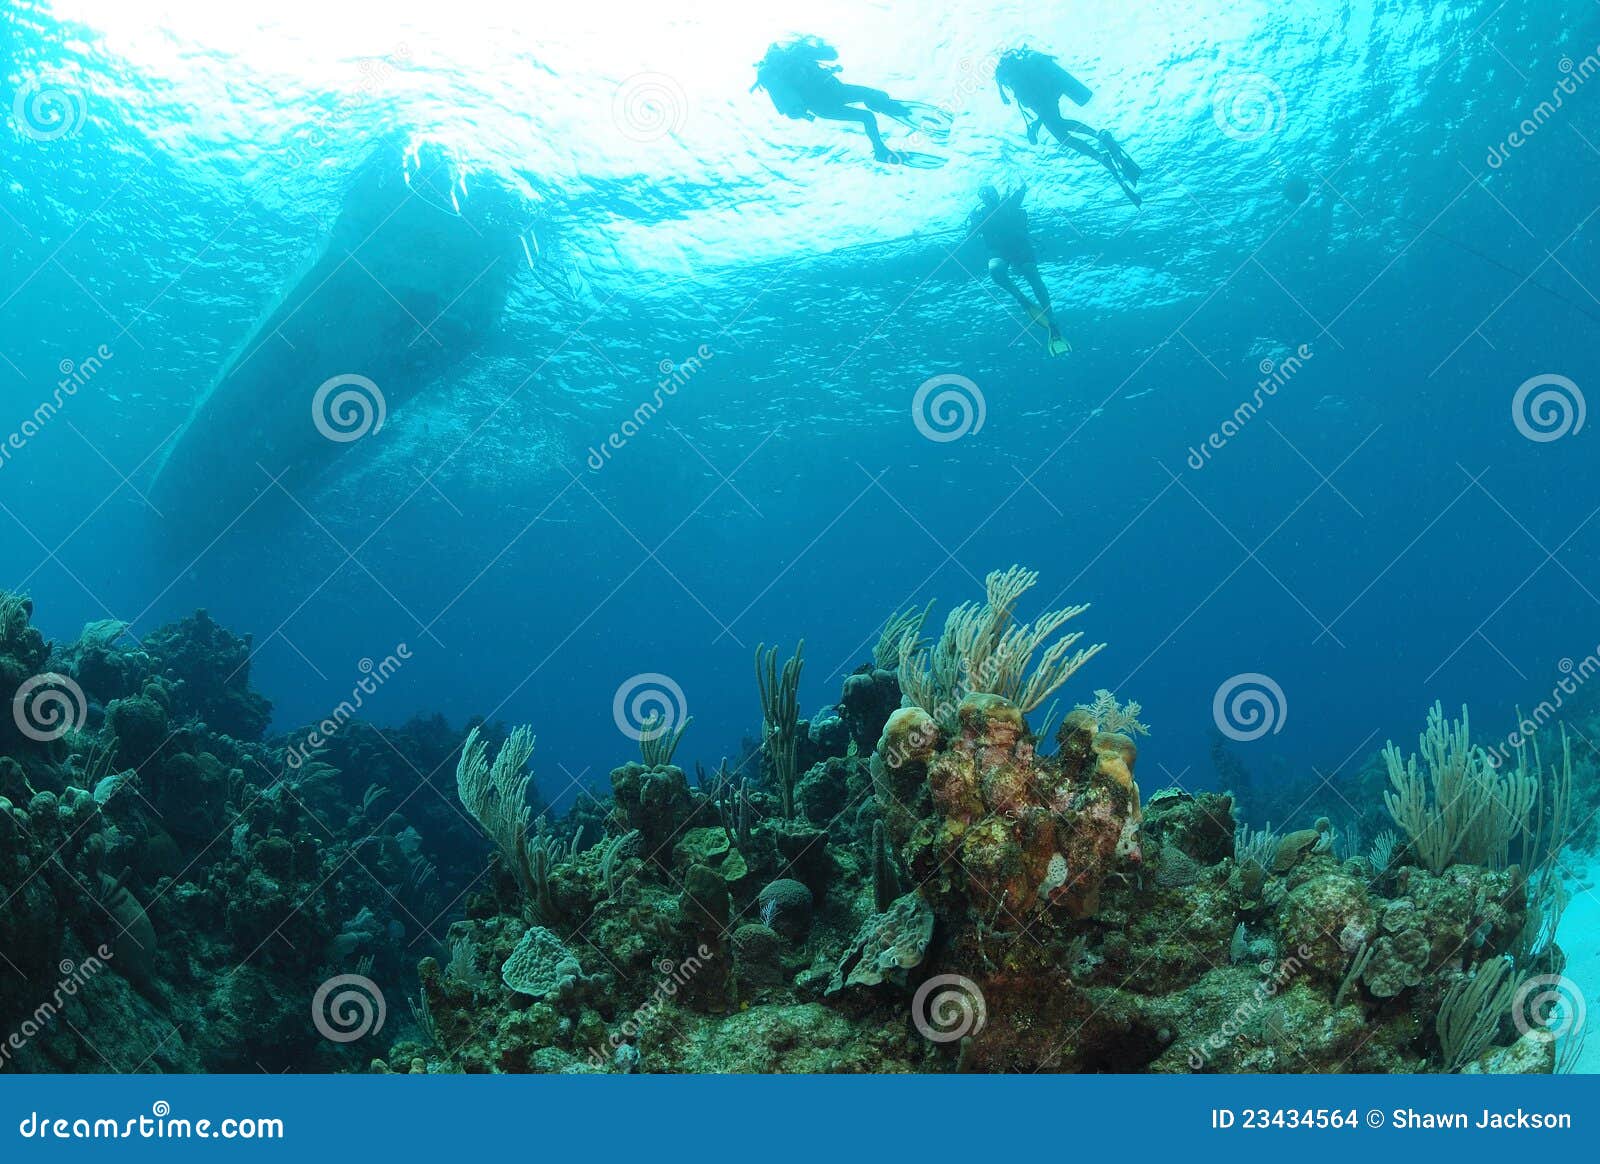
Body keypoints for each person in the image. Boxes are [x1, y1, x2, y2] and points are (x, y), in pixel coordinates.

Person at [753, 37, 951, 166]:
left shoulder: (781, 68)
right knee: (873, 99)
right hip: (834, 92)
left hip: (823, 105)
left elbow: (792, 110)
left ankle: (880, 148)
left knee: (867, 116)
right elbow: (831, 55)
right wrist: (817, 43)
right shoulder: (797, 53)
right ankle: (887, 107)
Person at [994, 48, 1142, 207]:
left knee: (1061, 135)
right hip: (1049, 94)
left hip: (1039, 100)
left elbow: (1010, 97)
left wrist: (1035, 126)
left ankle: (1100, 154)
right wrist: (1036, 124)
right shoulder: (1021, 66)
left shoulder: (1005, 74)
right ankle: (1098, 136)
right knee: (1059, 124)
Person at [967, 183, 1070, 356]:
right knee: (995, 271)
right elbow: (970, 235)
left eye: (991, 193)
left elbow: (1023, 187)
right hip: (999, 251)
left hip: (1020, 247)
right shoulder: (980, 214)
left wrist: (1018, 181)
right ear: (982, 199)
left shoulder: (1010, 202)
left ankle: (1051, 318)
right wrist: (974, 221)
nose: (989, 197)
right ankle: (1021, 298)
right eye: (985, 195)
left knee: (1031, 272)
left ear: (996, 194)